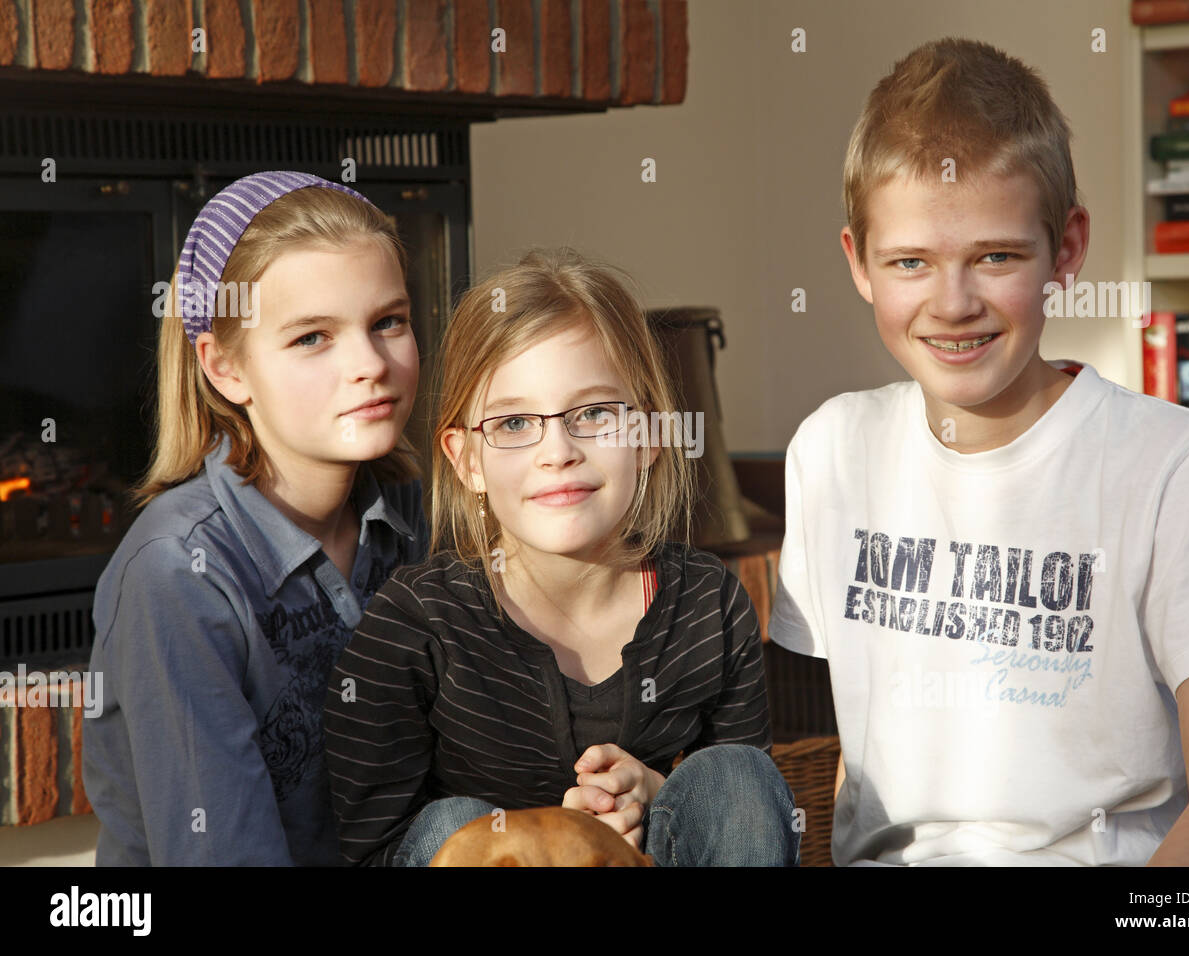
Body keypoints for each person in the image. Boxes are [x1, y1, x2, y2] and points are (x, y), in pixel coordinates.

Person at [768, 38, 1189, 866]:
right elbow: (856, 760)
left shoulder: (1171, 464)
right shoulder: (832, 452)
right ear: (858, 264)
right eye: (910, 261)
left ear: (1068, 247)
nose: (953, 303)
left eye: (996, 256)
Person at [323, 248, 799, 867]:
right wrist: (548, 841)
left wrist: (654, 797)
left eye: (595, 413)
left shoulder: (708, 604)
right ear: (468, 461)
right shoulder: (415, 624)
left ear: (650, 437)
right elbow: (371, 849)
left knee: (736, 776)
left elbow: (743, 820)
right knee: (456, 825)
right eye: (516, 423)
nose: (559, 450)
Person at [82, 170, 430, 865]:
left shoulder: (421, 524)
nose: (370, 364)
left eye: (387, 322)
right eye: (312, 338)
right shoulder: (177, 574)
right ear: (224, 369)